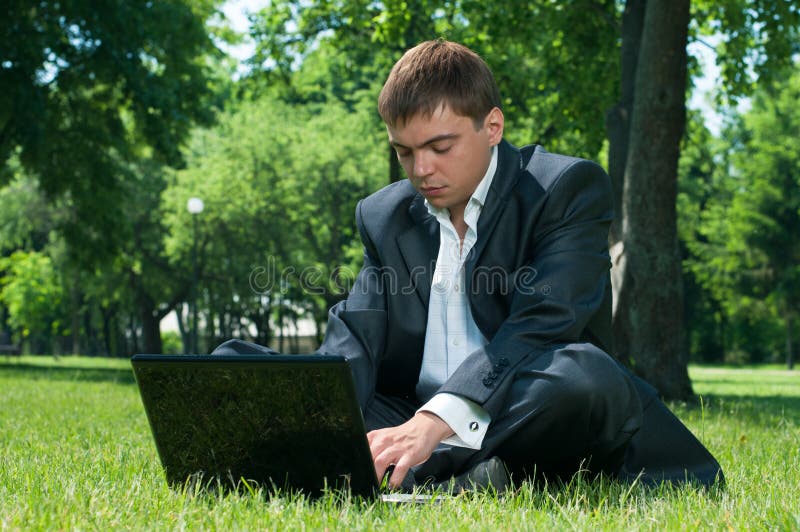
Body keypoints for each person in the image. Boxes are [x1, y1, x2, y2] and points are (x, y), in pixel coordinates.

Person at [215, 39, 723, 492]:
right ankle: (457, 472)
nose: (421, 170)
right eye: (404, 152)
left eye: (440, 147)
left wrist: (436, 421)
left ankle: (413, 470)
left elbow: (542, 325)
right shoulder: (383, 215)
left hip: (521, 405)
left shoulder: (564, 189)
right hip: (408, 411)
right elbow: (359, 335)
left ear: (492, 127)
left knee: (587, 377)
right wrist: (326, 415)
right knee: (236, 363)